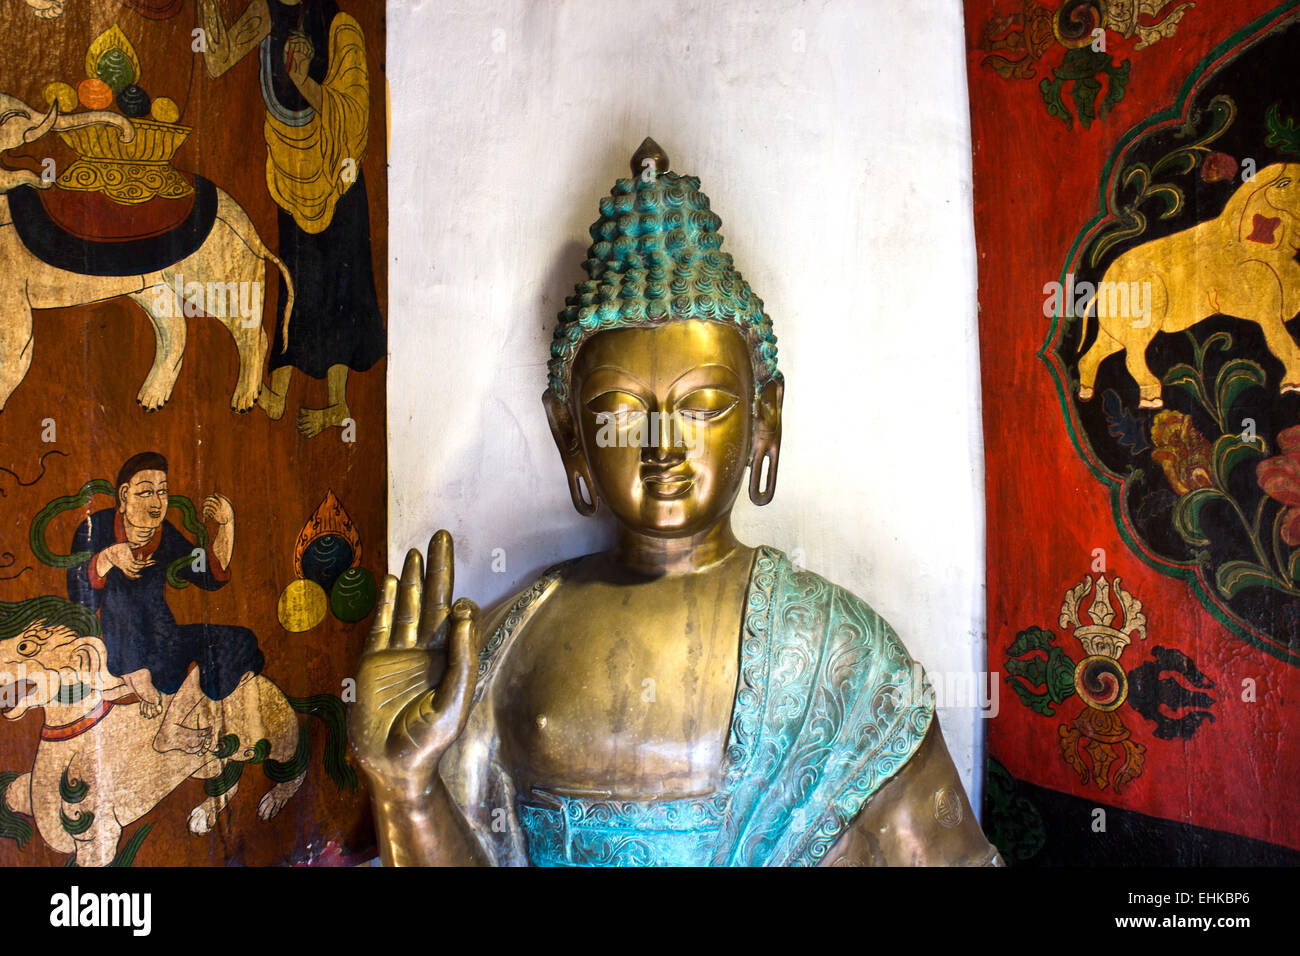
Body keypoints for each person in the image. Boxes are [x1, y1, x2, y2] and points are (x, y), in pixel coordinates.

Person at [349, 143, 1001, 866]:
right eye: (622, 414)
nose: (663, 446)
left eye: (703, 405)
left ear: (765, 419)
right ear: (570, 434)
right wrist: (404, 788)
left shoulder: (840, 660)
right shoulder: (505, 648)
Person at [198, 0, 385, 438]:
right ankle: (279, 392)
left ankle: (338, 404)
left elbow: (355, 114)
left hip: (337, 177)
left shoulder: (341, 28)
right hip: (290, 172)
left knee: (342, 285)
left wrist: (303, 80)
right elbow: (217, 61)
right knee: (297, 280)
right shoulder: (265, 12)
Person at [67, 452, 264, 754]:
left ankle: (171, 726)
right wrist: (107, 559)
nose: (156, 502)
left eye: (162, 492)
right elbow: (77, 595)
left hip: (161, 640)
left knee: (240, 641)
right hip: (115, 647)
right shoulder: (97, 526)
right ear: (123, 495)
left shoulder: (164, 534)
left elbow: (209, 575)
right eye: (145, 491)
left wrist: (226, 526)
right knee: (123, 597)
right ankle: (136, 673)